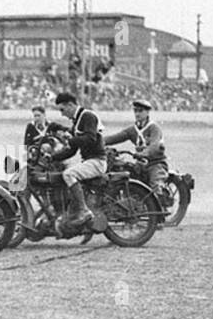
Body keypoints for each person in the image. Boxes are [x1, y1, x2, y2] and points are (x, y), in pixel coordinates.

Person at [49, 91, 106, 227]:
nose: (62, 114)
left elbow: (90, 138)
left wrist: (71, 139)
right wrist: (52, 157)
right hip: (89, 161)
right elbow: (71, 150)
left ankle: (84, 211)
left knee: (68, 174)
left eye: (62, 110)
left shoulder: (87, 116)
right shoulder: (78, 120)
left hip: (97, 161)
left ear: (70, 105)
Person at [104, 98, 168, 196]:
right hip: (140, 165)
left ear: (147, 112)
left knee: (155, 187)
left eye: (141, 111)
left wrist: (143, 153)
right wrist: (97, 142)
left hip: (155, 163)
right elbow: (115, 138)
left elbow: (154, 145)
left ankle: (161, 206)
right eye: (135, 111)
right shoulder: (133, 129)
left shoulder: (154, 128)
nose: (137, 114)